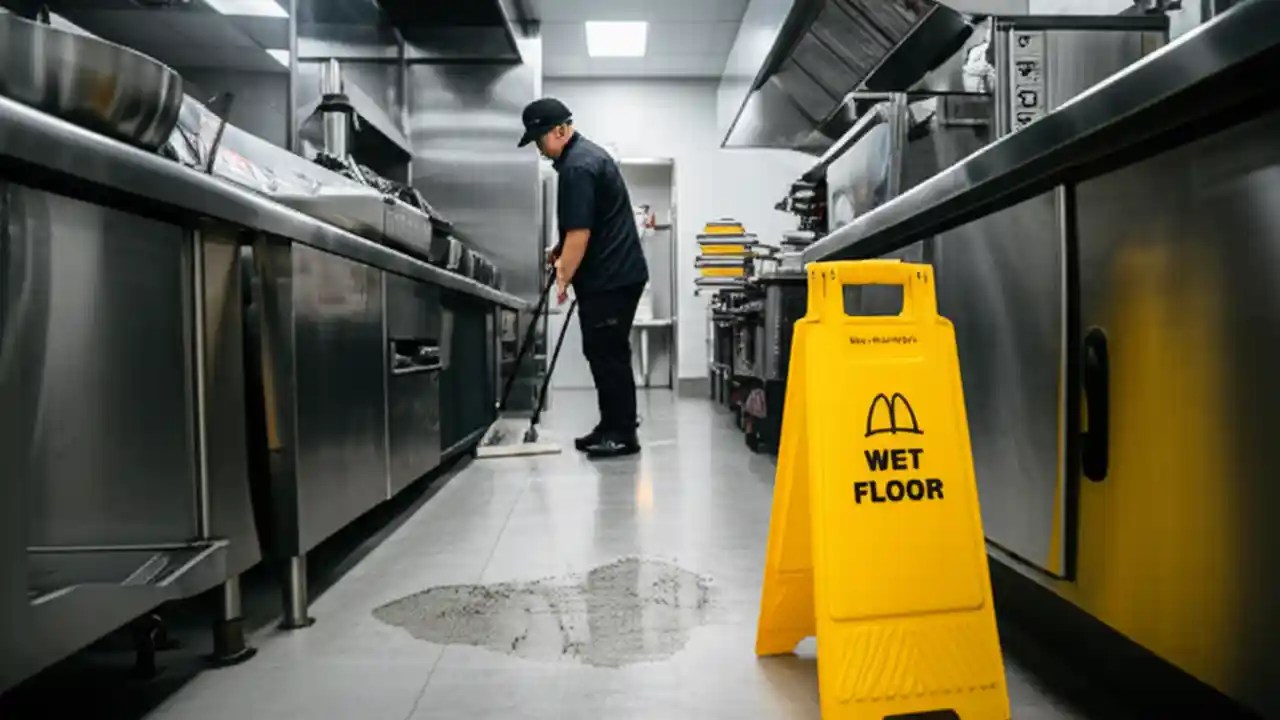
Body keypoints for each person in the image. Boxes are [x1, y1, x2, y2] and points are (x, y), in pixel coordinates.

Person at [518, 98, 649, 459]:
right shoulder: (585, 159)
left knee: (607, 353)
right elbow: (588, 225)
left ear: (560, 130)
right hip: (613, 276)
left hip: (612, 277)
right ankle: (611, 425)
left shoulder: (578, 166)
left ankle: (622, 433)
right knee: (603, 351)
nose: (541, 150)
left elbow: (581, 233)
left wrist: (562, 277)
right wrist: (562, 251)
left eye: (540, 140)